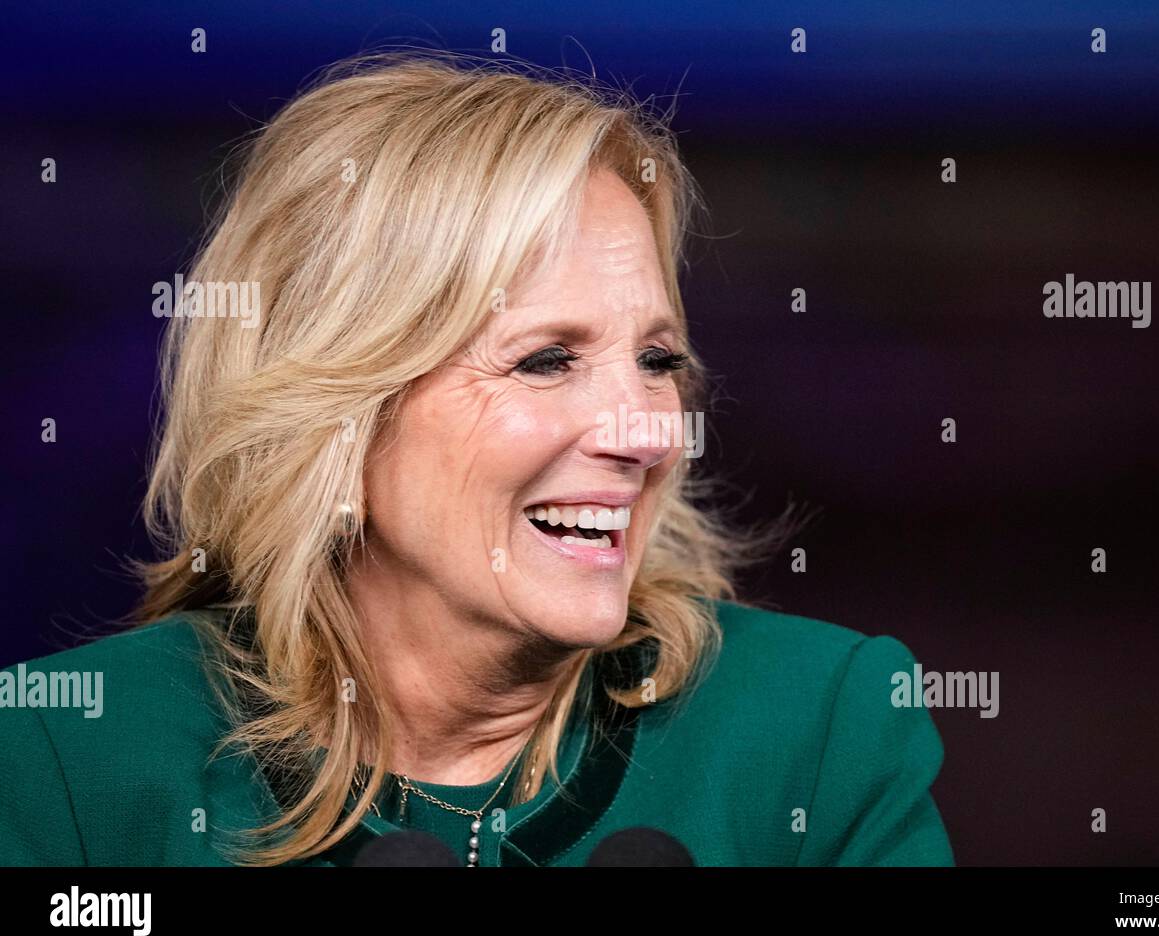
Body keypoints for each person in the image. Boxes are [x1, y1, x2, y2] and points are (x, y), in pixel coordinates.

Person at [0, 52, 953, 867]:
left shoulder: (823, 730)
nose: (647, 431)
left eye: (657, 360)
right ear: (336, 409)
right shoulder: (64, 757)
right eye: (547, 360)